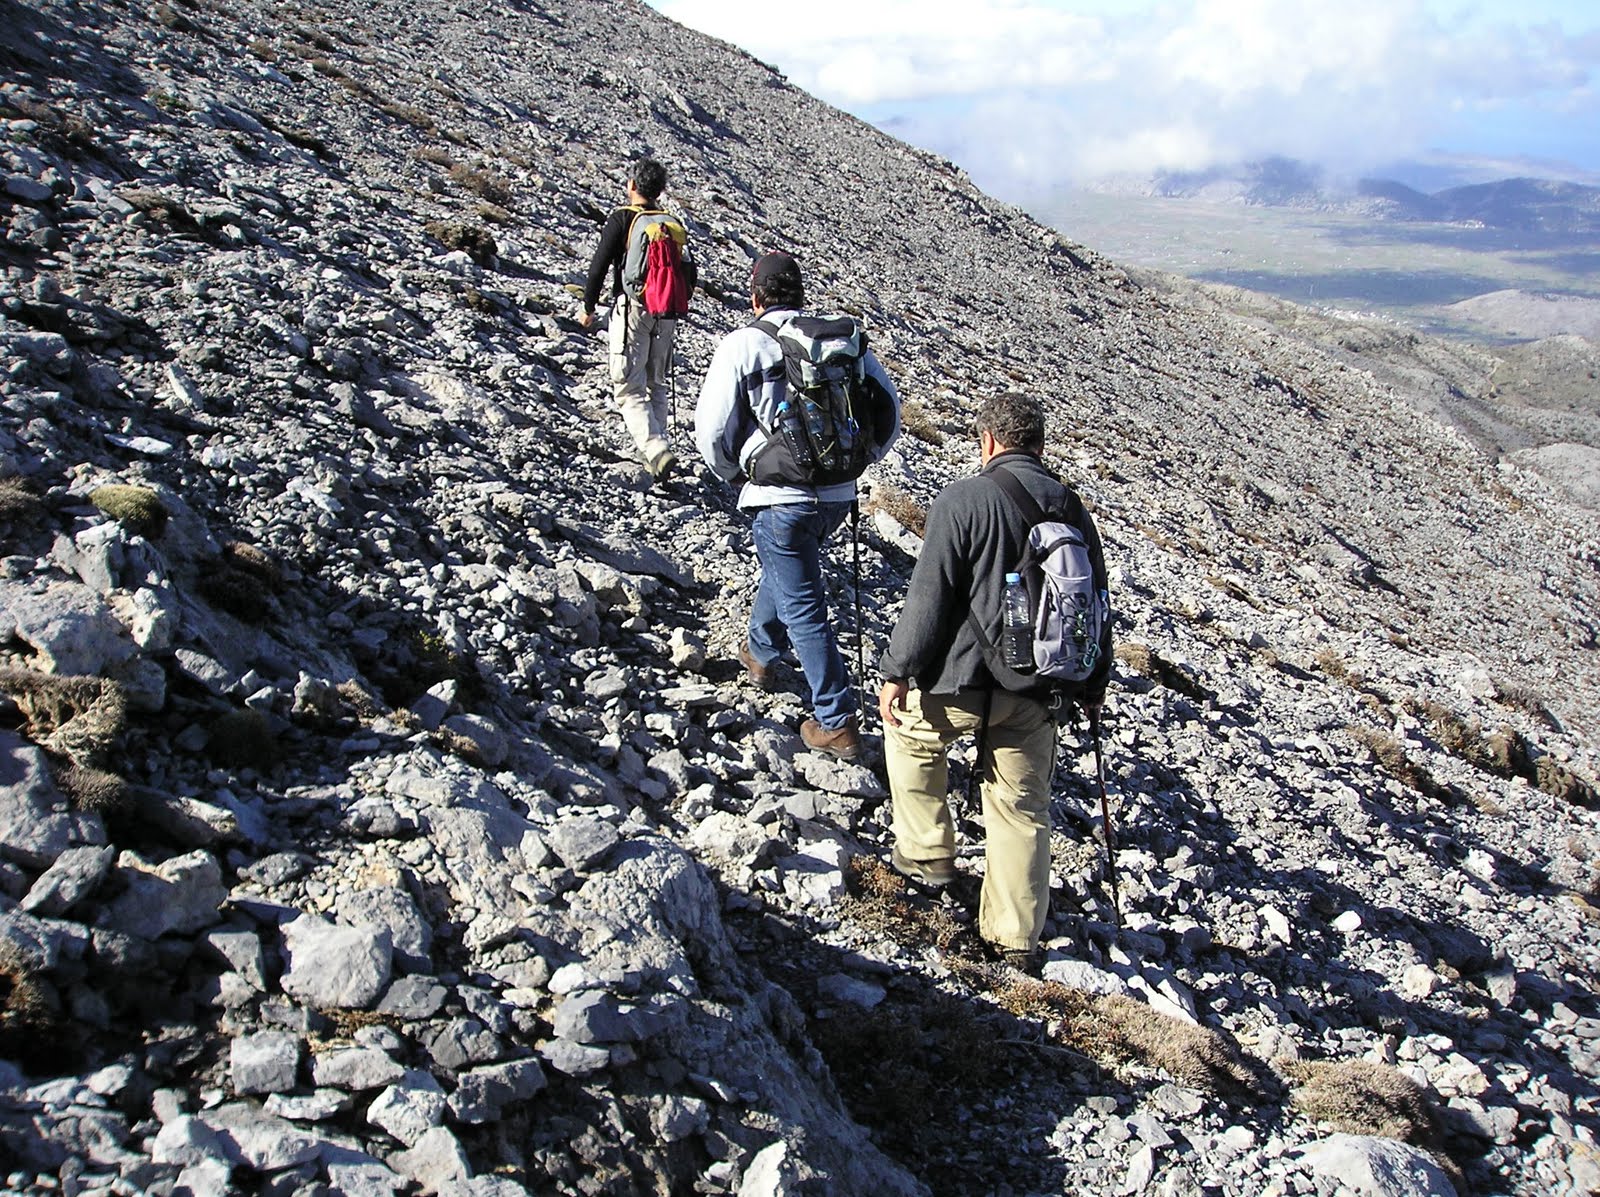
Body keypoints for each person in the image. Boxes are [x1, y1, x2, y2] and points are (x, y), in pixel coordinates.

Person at [877, 393, 1111, 970]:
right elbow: (1095, 602)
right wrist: (1092, 686)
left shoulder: (962, 498)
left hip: (954, 683)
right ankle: (1013, 940)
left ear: (987, 441)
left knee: (910, 738)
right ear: (1039, 445)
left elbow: (928, 598)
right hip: (1035, 690)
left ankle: (928, 856)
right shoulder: (1070, 508)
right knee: (1022, 807)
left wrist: (898, 670)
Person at [695, 251, 901, 760]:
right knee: (789, 572)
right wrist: (856, 464)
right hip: (835, 496)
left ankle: (836, 720)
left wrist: (738, 470)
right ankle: (761, 654)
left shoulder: (742, 344)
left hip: (777, 496)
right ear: (800, 293)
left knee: (805, 603)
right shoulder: (840, 344)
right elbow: (890, 414)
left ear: (755, 295)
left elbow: (712, 428)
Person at [579, 157, 692, 482]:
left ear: (632, 186)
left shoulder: (623, 219)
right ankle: (658, 452)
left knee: (629, 387)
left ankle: (655, 450)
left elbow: (599, 265)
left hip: (633, 307)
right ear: (660, 190)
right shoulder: (670, 223)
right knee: (656, 382)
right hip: (666, 311)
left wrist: (588, 306)